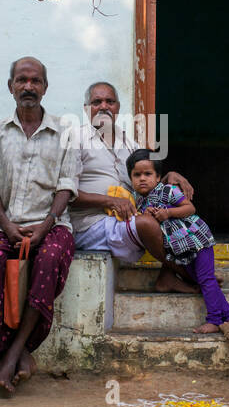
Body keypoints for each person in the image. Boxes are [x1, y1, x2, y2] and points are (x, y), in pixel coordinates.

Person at [0, 57, 77, 394]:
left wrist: (47, 224)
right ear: (11, 86)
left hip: (52, 224)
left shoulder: (65, 131)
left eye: (35, 81)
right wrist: (6, 225)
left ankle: (16, 351)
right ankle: (10, 351)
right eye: (21, 80)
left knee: (49, 260)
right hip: (4, 225)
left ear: (45, 88)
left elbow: (67, 185)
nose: (28, 87)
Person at [65, 81, 196, 289]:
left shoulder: (128, 143)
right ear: (86, 109)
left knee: (173, 204)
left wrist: (168, 177)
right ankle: (191, 275)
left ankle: (167, 276)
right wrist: (110, 201)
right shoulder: (75, 139)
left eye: (110, 101)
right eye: (96, 102)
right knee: (145, 223)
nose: (103, 107)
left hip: (123, 220)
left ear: (117, 108)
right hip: (91, 224)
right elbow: (65, 194)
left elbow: (144, 186)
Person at [127, 149, 229, 333]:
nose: (142, 179)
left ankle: (215, 319)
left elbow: (189, 208)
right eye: (137, 175)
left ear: (159, 176)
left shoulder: (168, 190)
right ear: (130, 177)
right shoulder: (138, 200)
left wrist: (167, 213)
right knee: (205, 280)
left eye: (148, 174)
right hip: (180, 248)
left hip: (197, 240)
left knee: (206, 279)